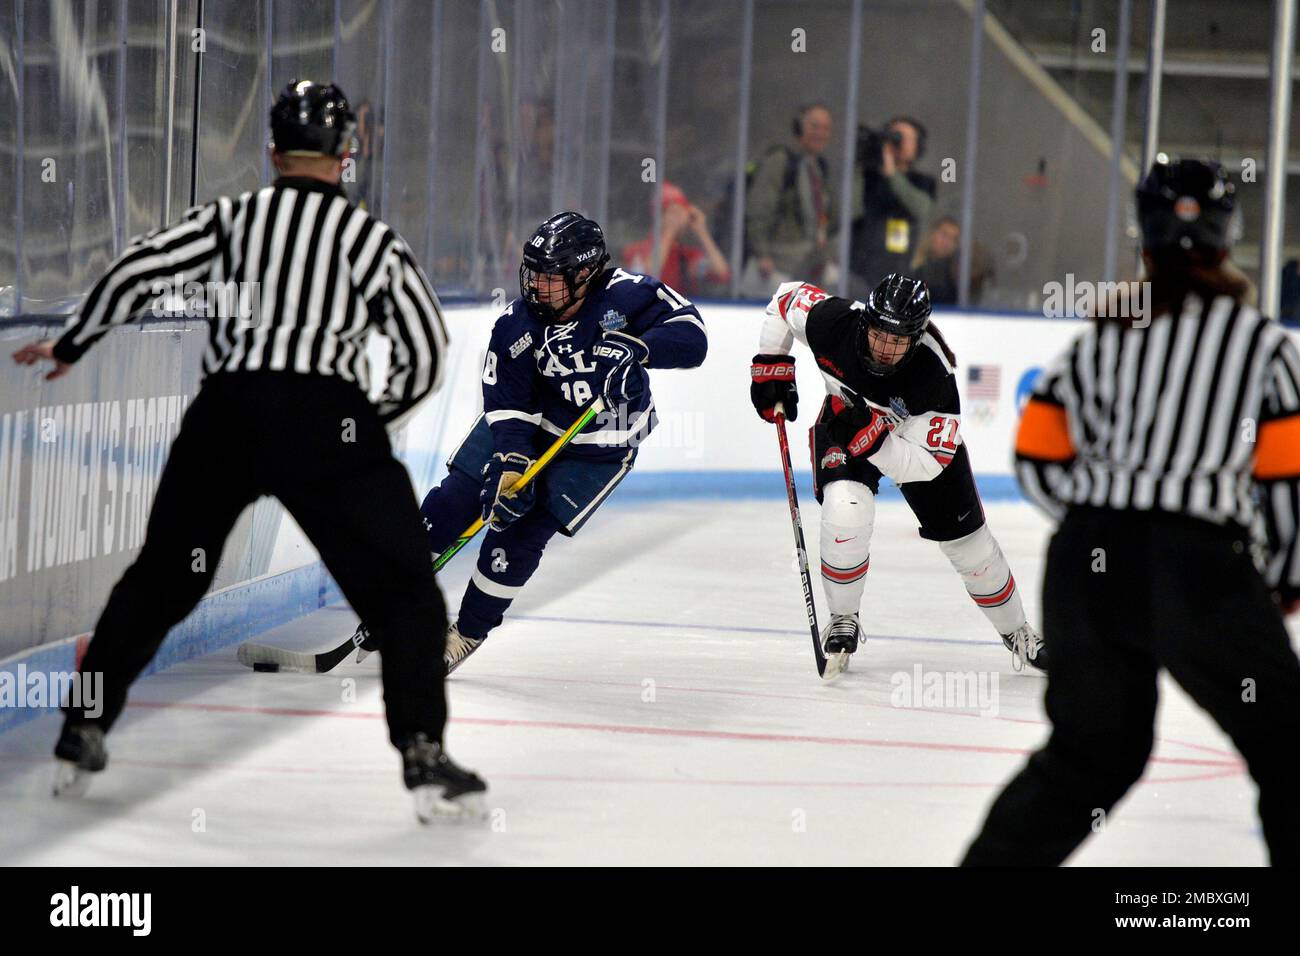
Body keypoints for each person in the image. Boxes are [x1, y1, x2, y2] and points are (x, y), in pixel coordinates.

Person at [10, 80, 486, 823]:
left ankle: (82, 728)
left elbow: (140, 267)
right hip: (328, 421)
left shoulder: (234, 218)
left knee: (162, 580)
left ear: (271, 153)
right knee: (403, 596)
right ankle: (423, 751)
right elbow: (424, 353)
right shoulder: (369, 239)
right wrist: (367, 419)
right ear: (346, 156)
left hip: (227, 413)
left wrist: (73, 343)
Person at [962, 158, 1300, 866]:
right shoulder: (1261, 345)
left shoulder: (1104, 340)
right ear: (1226, 235)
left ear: (1143, 238)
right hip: (1202, 568)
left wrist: (1096, 523)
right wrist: (1284, 576)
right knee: (1289, 748)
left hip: (1090, 565)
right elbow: (1286, 479)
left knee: (1091, 757)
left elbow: (1037, 452)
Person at [349, 211, 708, 672]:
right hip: (529, 428)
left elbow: (693, 337)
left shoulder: (628, 294)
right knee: (451, 504)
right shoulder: (516, 325)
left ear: (585, 274)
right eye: (533, 273)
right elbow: (510, 409)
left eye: (550, 277)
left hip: (598, 447)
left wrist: (642, 349)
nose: (536, 285)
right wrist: (511, 466)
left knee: (515, 539)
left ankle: (467, 633)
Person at [749, 273, 1045, 672]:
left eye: (899, 339)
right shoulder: (832, 322)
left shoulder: (934, 376)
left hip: (913, 445)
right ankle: (843, 618)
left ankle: (1017, 630)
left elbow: (929, 462)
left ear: (917, 337)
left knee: (972, 549)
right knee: (846, 510)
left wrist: (876, 444)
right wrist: (773, 363)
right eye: (879, 334)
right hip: (845, 422)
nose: (886, 348)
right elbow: (785, 300)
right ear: (866, 322)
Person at [740, 104, 838, 297]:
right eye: (814, 126)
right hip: (778, 265)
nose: (820, 133)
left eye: (826, 128)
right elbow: (759, 209)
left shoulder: (818, 167)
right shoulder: (780, 161)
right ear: (798, 127)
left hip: (809, 264)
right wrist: (762, 254)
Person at [849, 117, 935, 297]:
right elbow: (851, 210)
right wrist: (859, 165)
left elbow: (922, 209)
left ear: (917, 145)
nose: (897, 143)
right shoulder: (868, 177)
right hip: (860, 271)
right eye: (895, 136)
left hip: (900, 273)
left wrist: (892, 174)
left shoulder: (923, 182)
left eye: (904, 138)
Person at [622, 181, 731, 298]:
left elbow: (722, 274)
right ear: (658, 216)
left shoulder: (687, 256)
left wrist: (702, 232)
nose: (677, 219)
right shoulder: (635, 250)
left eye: (681, 212)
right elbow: (644, 280)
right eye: (672, 212)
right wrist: (669, 232)